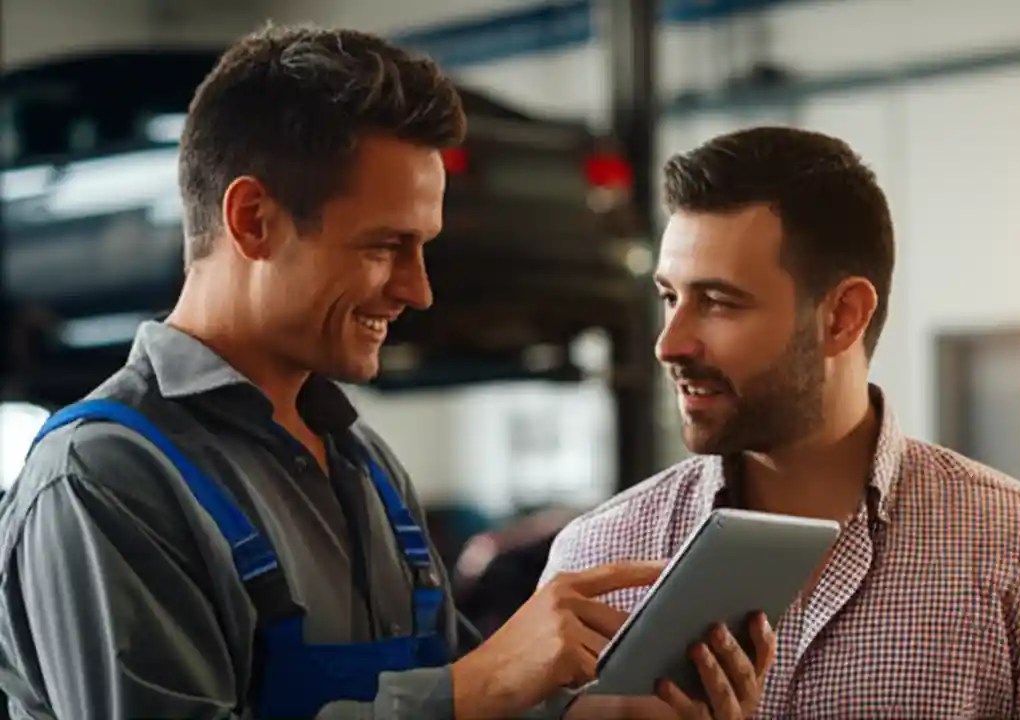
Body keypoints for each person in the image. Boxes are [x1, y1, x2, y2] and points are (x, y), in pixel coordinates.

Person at [0, 25, 773, 720]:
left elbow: (466, 696)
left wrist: (605, 713)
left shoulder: (364, 468)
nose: (418, 289)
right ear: (253, 221)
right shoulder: (102, 481)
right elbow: (463, 695)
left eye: (422, 247)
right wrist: (470, 693)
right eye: (383, 246)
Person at [540, 126, 1020, 718]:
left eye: (719, 302)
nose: (669, 344)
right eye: (670, 298)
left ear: (842, 317)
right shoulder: (597, 560)